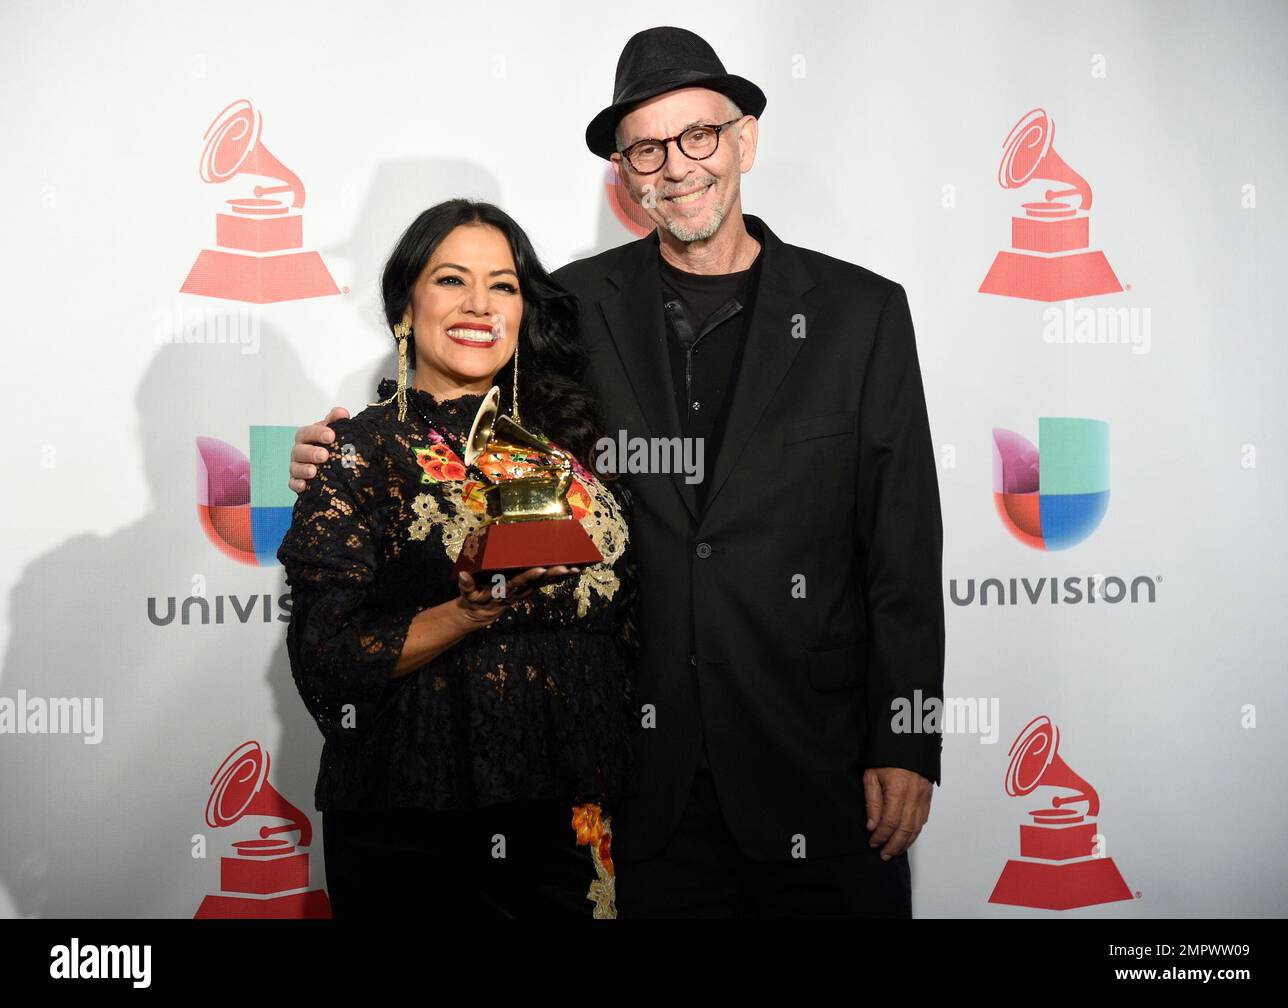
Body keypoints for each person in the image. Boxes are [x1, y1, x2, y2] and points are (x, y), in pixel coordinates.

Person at [290, 26, 943, 917]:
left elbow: (901, 547)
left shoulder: (861, 313)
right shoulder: (570, 306)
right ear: (625, 176)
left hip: (817, 761)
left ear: (744, 138)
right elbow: (463, 409)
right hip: (637, 774)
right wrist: (340, 451)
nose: (678, 167)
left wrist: (906, 739)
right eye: (647, 148)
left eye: (699, 136)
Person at [277, 199, 636, 919]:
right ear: (404, 307)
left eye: (503, 284)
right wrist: (465, 612)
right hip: (415, 833)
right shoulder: (358, 454)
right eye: (451, 280)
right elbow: (329, 655)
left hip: (573, 822)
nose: (480, 304)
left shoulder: (577, 447)